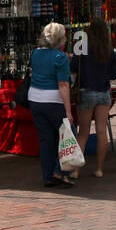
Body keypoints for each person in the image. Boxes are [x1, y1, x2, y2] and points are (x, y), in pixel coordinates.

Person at [27, 21, 76, 188]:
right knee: (69, 133)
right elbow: (63, 85)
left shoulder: (35, 53)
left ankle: (47, 176)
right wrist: (68, 111)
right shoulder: (61, 57)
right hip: (53, 100)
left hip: (35, 98)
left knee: (45, 139)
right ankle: (60, 170)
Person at [71, 18, 116, 179]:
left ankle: (76, 170)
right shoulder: (109, 51)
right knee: (101, 132)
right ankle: (99, 168)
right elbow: (114, 75)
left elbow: (73, 68)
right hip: (104, 92)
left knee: (83, 133)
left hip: (86, 91)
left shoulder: (82, 47)